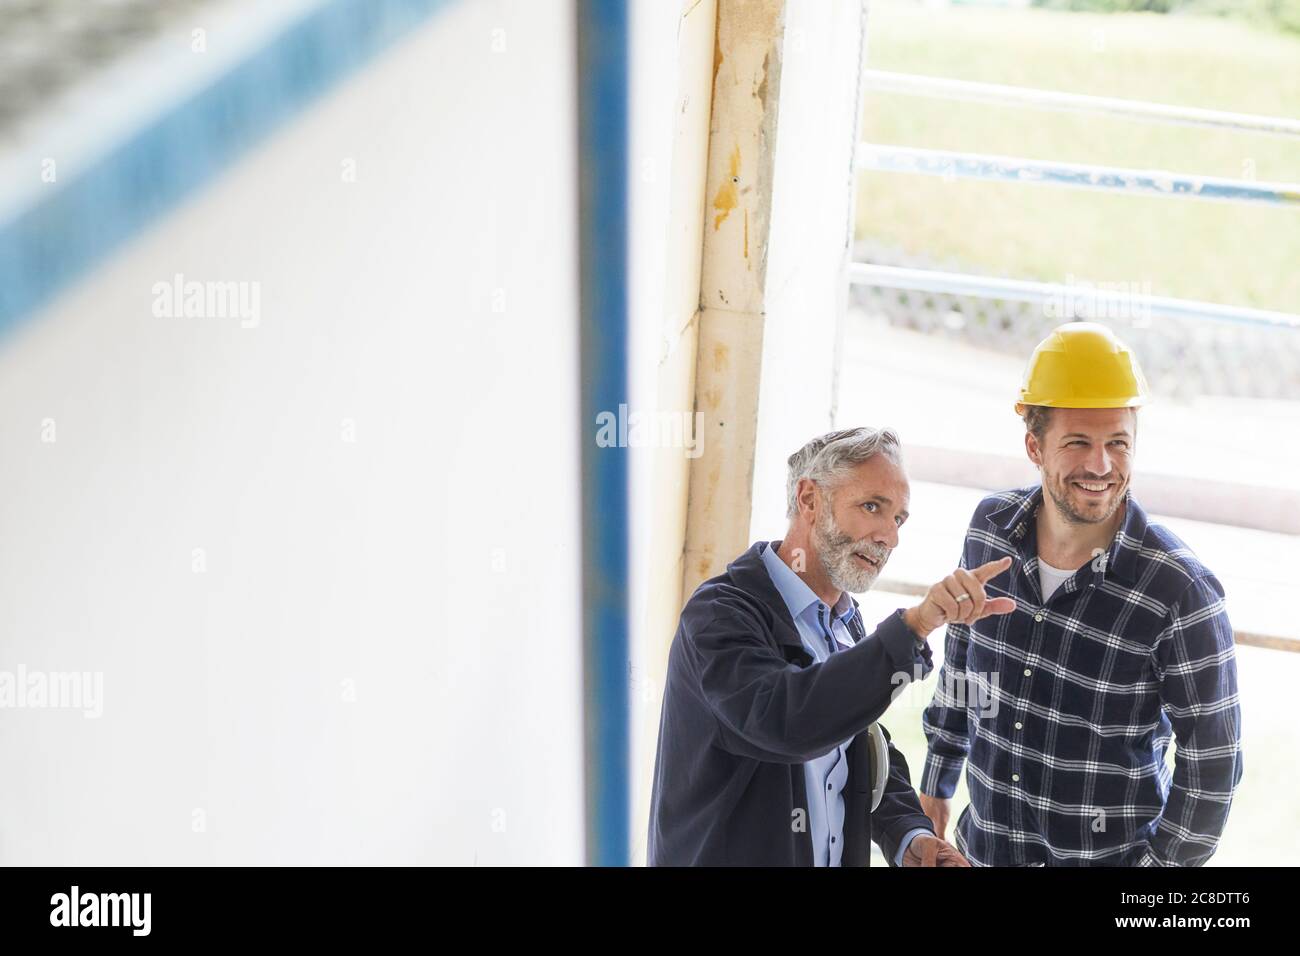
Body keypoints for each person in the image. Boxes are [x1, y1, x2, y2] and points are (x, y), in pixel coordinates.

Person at [920, 322, 1244, 866]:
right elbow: (961, 669)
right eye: (1078, 443)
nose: (1100, 466)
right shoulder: (989, 529)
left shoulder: (1179, 590)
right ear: (1034, 446)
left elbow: (1211, 768)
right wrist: (935, 788)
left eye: (1118, 443)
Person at [648, 425, 1012, 866]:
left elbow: (862, 746)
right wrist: (912, 627)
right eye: (872, 507)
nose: (889, 537)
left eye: (897, 518)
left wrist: (909, 835)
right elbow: (789, 721)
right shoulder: (720, 614)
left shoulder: (844, 622)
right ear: (809, 500)